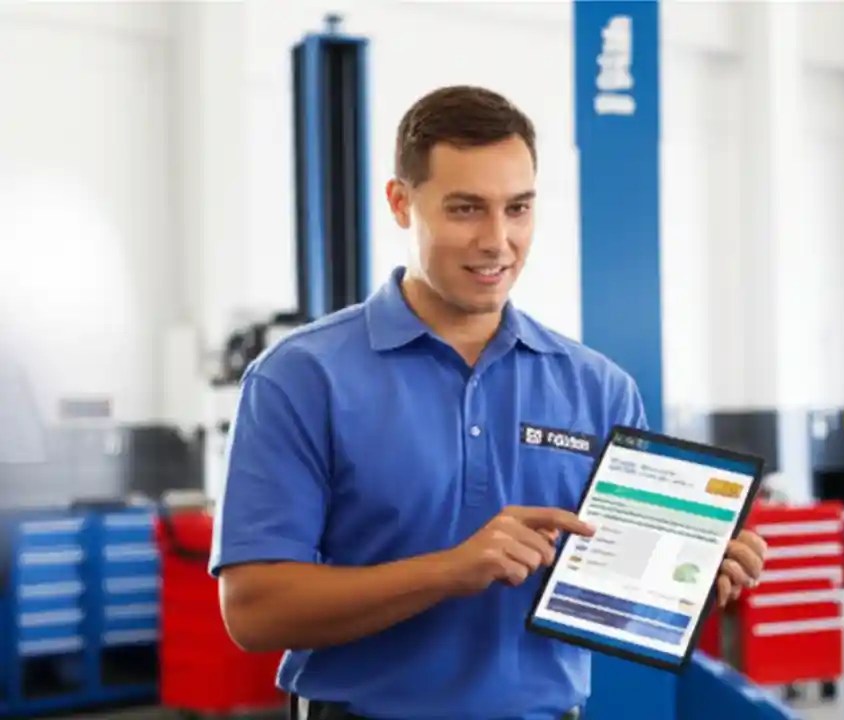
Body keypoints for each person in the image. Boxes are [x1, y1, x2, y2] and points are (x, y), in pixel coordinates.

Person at [210, 85, 767, 720]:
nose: (498, 241)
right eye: (466, 209)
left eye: (519, 208)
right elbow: (253, 612)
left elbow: (622, 598)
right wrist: (450, 570)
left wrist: (693, 568)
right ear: (400, 203)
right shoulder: (300, 378)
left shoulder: (598, 387)